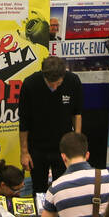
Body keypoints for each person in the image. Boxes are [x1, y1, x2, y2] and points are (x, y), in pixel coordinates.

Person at [17, 56, 84, 193]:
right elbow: (24, 121)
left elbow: (77, 113)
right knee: (39, 190)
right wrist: (24, 152)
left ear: (63, 75)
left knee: (63, 189)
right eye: (50, 83)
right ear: (44, 75)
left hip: (63, 146)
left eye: (58, 83)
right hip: (37, 146)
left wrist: (76, 142)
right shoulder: (30, 84)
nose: (54, 87)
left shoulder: (73, 81)